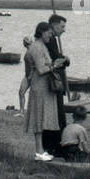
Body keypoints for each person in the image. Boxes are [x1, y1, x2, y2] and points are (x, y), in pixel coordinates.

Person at [24, 22, 59, 161]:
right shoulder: (37, 47)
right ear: (43, 32)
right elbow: (41, 69)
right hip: (40, 86)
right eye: (49, 33)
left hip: (42, 86)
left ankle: (40, 150)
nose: (51, 36)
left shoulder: (39, 46)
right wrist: (55, 65)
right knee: (38, 117)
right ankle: (38, 151)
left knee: (41, 117)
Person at [45, 13, 71, 154]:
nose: (63, 30)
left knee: (57, 114)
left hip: (55, 81)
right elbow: (56, 59)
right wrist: (65, 59)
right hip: (54, 82)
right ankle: (57, 145)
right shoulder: (51, 40)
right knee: (58, 114)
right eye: (62, 27)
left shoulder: (50, 39)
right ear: (54, 26)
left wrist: (62, 59)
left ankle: (55, 144)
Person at [18, 35, 35, 112]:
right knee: (21, 92)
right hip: (27, 75)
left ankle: (33, 111)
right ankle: (21, 110)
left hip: (33, 76)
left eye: (24, 41)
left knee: (34, 96)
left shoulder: (32, 52)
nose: (23, 43)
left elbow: (34, 65)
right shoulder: (28, 51)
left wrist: (31, 75)